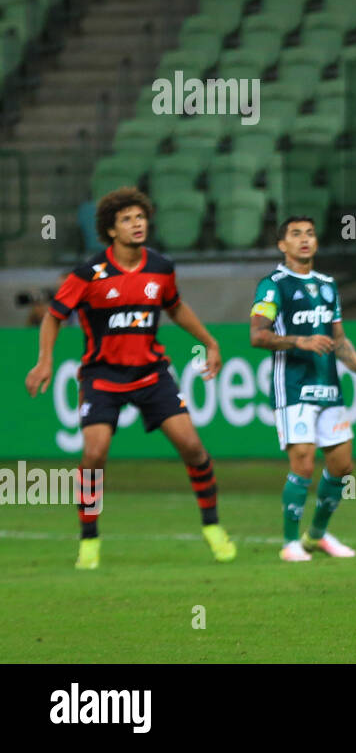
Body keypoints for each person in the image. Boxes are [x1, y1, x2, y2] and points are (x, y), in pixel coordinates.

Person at [24, 187, 235, 569]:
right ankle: (89, 540)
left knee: (192, 446)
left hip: (151, 373)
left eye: (140, 217)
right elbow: (54, 315)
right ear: (110, 229)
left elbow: (175, 306)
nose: (136, 224)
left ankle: (212, 526)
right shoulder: (89, 274)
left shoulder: (160, 267)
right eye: (126, 219)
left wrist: (209, 341)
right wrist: (44, 362)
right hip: (102, 376)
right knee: (94, 453)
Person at [250, 216, 356, 562]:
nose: (304, 239)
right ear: (282, 245)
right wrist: (299, 341)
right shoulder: (273, 285)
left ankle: (317, 535)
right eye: (295, 234)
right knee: (304, 463)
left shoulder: (327, 285)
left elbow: (338, 340)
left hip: (328, 387)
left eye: (309, 233)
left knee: (342, 465)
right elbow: (257, 335)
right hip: (293, 386)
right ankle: (290, 542)